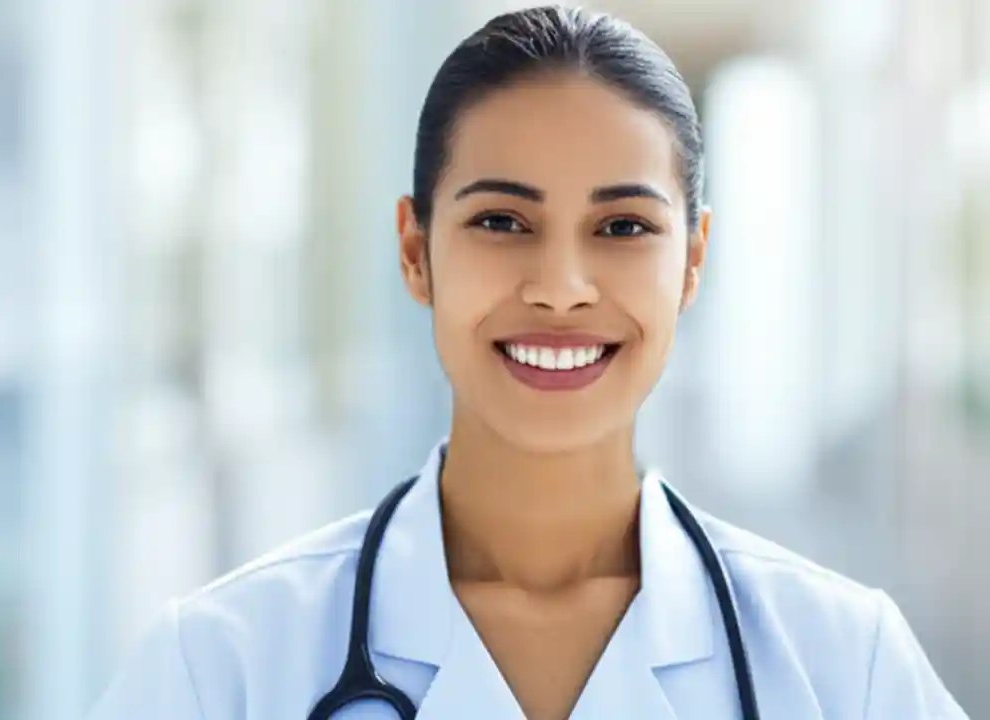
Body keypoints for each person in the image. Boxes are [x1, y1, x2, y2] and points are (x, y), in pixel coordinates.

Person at [89, 6, 967, 719]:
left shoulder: (846, 667)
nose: (560, 288)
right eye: (502, 222)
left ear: (693, 260)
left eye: (622, 227)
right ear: (415, 250)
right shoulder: (223, 668)